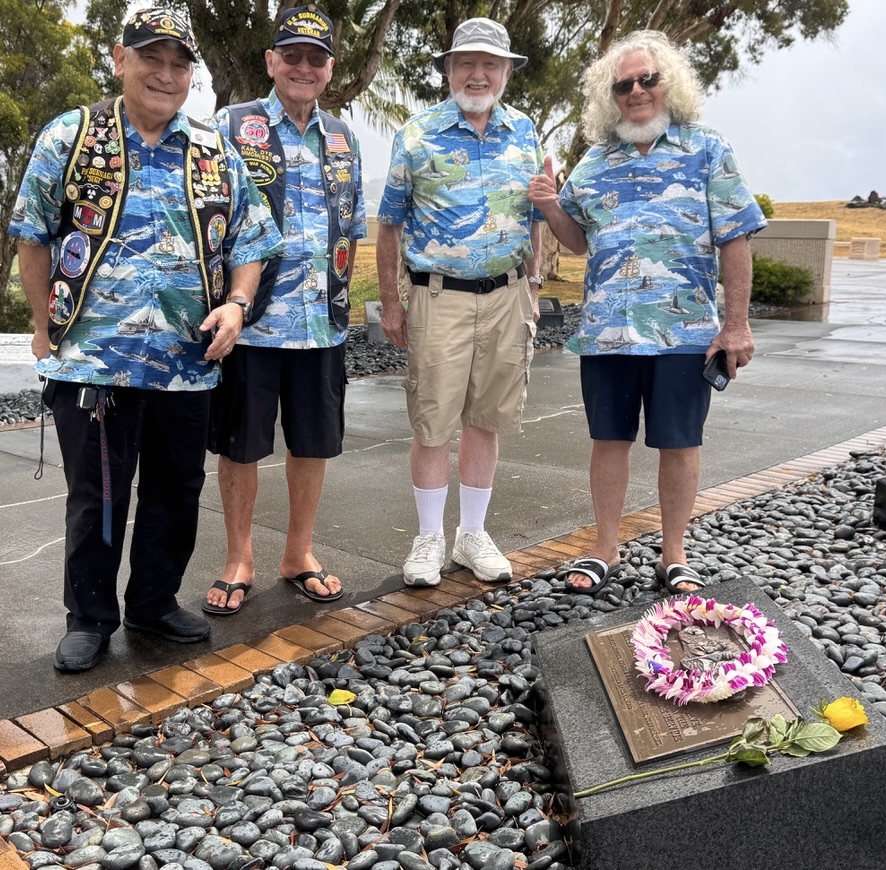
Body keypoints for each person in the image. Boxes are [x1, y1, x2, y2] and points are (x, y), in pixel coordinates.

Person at [9, 6, 284, 672]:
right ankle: (91, 616)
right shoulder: (71, 136)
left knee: (175, 489)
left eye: (178, 63)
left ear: (191, 72)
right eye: (151, 58)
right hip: (95, 365)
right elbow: (33, 234)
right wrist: (44, 329)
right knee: (98, 495)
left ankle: (154, 602)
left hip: (187, 366)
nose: (165, 74)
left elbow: (253, 240)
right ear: (119, 58)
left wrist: (239, 305)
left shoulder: (215, 148)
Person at [528, 30, 766, 597]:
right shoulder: (596, 160)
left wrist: (736, 324)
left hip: (684, 333)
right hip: (608, 331)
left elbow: (736, 237)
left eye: (646, 80)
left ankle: (674, 554)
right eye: (623, 84)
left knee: (680, 444)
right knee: (608, 441)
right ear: (608, 96)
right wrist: (549, 205)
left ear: (669, 85)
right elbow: (577, 240)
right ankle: (605, 549)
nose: (635, 91)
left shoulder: (707, 149)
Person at [204, 5, 366, 614]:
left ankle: (299, 551)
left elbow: (350, 223)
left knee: (312, 444)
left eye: (315, 58)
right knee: (240, 445)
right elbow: (211, 214)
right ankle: (238, 556)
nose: (303, 67)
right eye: (291, 55)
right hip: (250, 324)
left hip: (321, 322)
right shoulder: (231, 124)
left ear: (329, 68)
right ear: (271, 61)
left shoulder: (346, 137)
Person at [376, 17, 543, 588]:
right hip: (438, 296)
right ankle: (428, 538)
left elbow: (536, 215)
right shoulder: (417, 134)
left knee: (486, 419)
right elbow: (389, 224)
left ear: (506, 72)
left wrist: (536, 286)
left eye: (489, 64)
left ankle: (472, 534)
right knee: (433, 422)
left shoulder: (525, 132)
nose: (477, 74)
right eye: (466, 63)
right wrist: (394, 305)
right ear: (448, 70)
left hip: (507, 295)